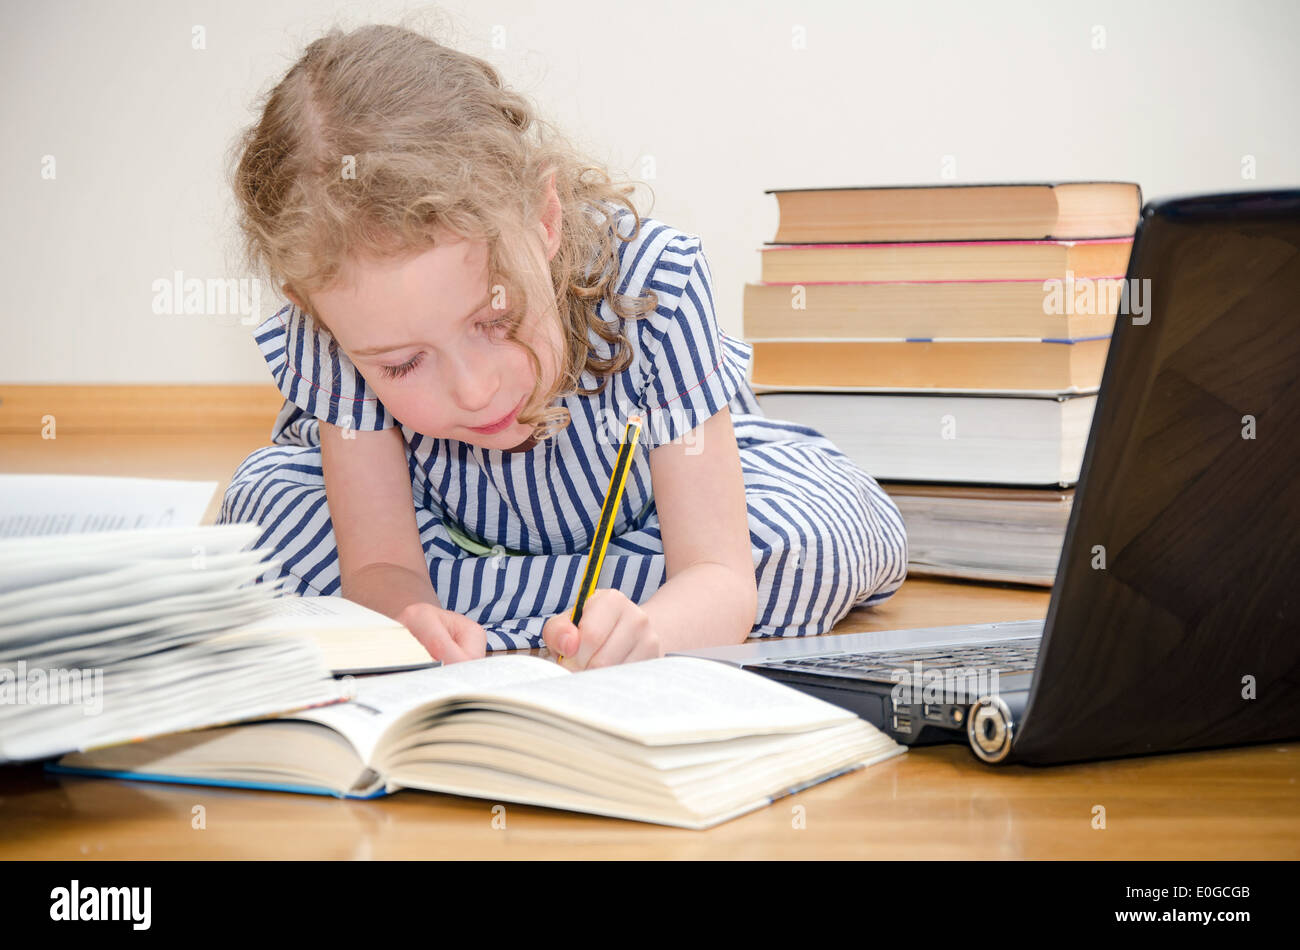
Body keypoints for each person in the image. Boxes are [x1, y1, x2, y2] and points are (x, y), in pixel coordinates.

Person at [219, 23, 907, 669]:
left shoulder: (653, 282)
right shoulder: (333, 330)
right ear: (314, 311)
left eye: (495, 320)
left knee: (808, 539)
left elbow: (717, 570)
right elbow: (378, 568)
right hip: (443, 531)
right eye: (402, 364)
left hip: (655, 520)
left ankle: (538, 608)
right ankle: (568, 600)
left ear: (545, 220)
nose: (474, 389)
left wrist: (654, 634)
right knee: (265, 526)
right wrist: (407, 614)